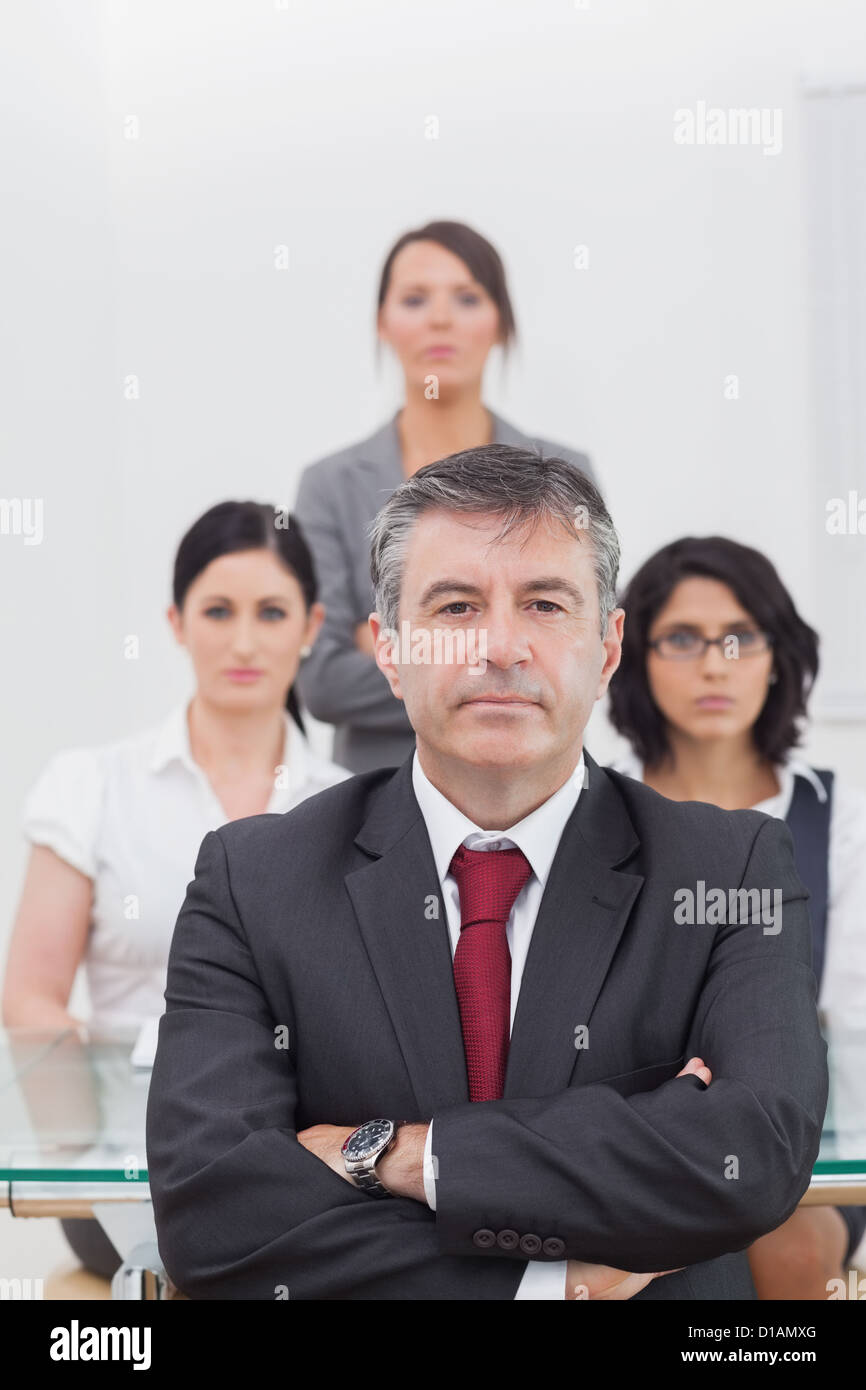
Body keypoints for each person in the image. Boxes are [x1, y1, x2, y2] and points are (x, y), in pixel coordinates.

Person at [146, 447, 827, 1300]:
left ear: (608, 647)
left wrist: (402, 1155)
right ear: (389, 651)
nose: (502, 647)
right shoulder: (253, 882)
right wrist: (552, 1280)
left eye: (545, 604)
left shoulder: (730, 869)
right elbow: (216, 1218)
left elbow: (753, 1155)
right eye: (457, 605)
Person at [3, 500, 350, 1279]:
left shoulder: (352, 806)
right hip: (130, 1177)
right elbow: (30, 999)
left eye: (271, 612)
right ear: (175, 621)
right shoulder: (91, 785)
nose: (243, 640)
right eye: (217, 611)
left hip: (305, 1171)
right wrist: (80, 1159)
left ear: (310, 625)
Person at [606, 534, 866, 1296]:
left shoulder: (835, 813)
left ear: (778, 653)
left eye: (739, 638)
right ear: (634, 655)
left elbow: (853, 1022)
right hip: (628, 1132)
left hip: (800, 1140)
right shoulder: (595, 806)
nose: (714, 664)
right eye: (682, 639)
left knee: (786, 1252)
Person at [293, 219, 596, 773]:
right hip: (377, 798)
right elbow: (323, 683)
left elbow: (579, 652)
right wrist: (504, 662)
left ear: (501, 322)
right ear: (382, 323)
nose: (439, 318)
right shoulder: (331, 484)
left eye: (466, 297)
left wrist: (409, 650)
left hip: (533, 787)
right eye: (414, 299)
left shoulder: (565, 473)